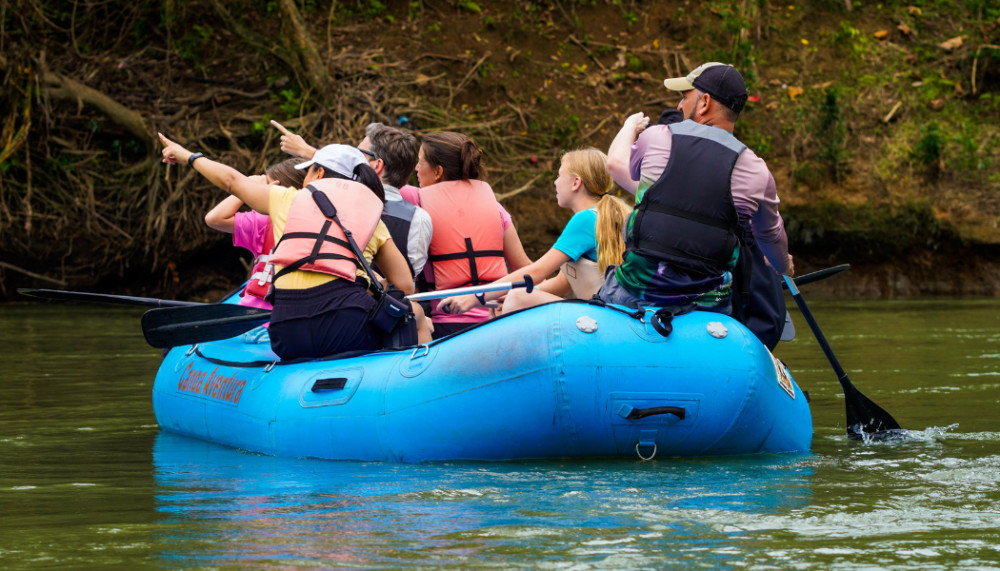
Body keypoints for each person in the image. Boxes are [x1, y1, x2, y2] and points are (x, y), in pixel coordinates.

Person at [158, 135, 430, 360]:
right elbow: (405, 285)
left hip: (286, 335)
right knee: (414, 313)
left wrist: (188, 156)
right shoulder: (372, 219)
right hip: (346, 331)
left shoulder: (287, 198)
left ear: (319, 173)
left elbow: (231, 180)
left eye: (307, 170)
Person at [602, 62, 794, 349]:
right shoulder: (757, 171)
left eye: (684, 97)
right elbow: (772, 238)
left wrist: (629, 126)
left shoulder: (655, 137)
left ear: (704, 102)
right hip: (709, 307)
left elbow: (617, 165)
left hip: (632, 292)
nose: (680, 106)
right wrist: (784, 264)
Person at [436, 148, 631, 315]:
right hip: (611, 314)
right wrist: (502, 294)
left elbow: (537, 271)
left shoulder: (585, 219)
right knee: (515, 295)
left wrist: (477, 296)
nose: (555, 182)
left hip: (603, 316)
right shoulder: (602, 216)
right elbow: (562, 284)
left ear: (575, 182)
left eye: (559, 175)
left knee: (519, 297)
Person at [270, 120, 433, 278]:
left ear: (376, 165)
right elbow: (412, 272)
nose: (352, 156)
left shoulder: (328, 202)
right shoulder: (420, 219)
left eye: (358, 152)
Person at [411, 131, 531, 338]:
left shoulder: (416, 204)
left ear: (438, 171)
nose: (416, 168)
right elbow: (527, 269)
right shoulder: (494, 208)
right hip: (498, 321)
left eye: (420, 162)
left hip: (448, 325)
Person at [204, 158, 305, 310]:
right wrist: (249, 185)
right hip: (263, 313)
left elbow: (215, 219)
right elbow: (214, 219)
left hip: (273, 313)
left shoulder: (264, 222)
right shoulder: (263, 221)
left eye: (267, 186)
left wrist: (249, 185)